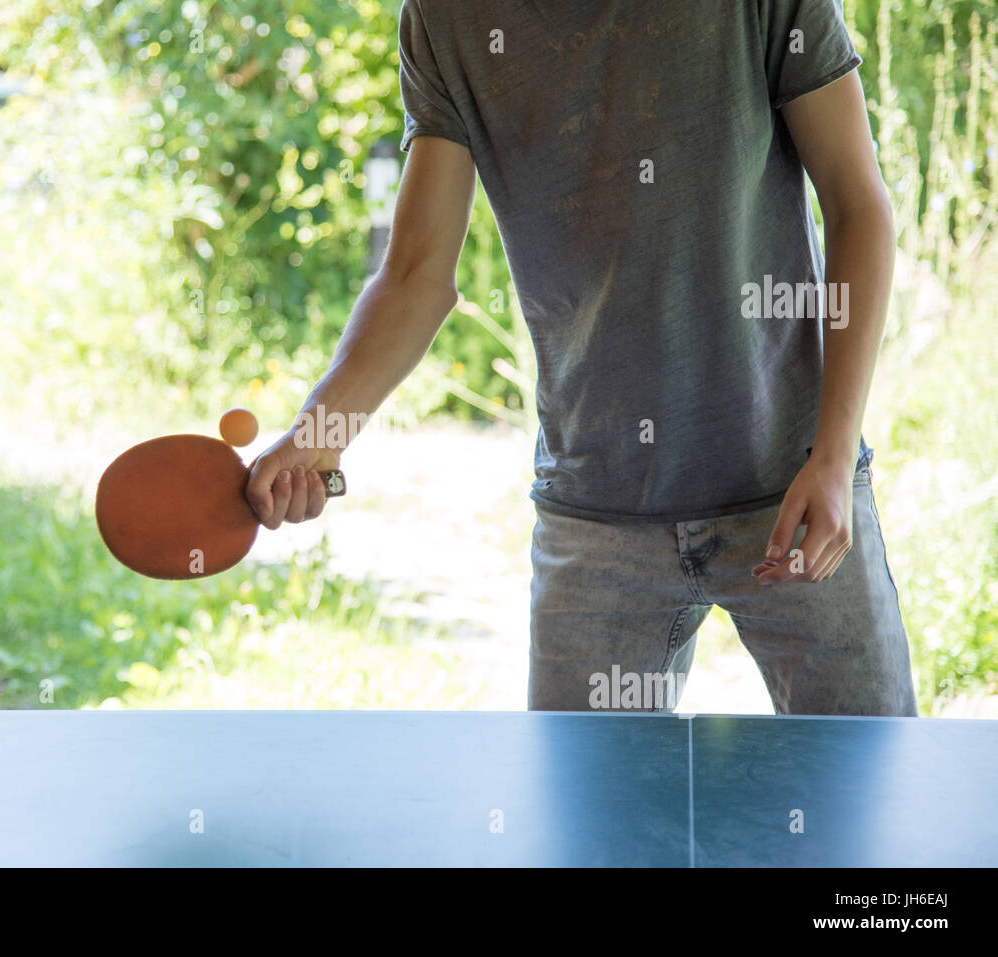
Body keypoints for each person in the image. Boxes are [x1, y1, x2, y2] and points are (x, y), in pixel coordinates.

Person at [245, 0, 917, 716]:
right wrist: (318, 433)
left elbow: (858, 205)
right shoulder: (446, 19)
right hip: (597, 515)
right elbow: (415, 274)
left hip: (796, 485)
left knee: (868, 801)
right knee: (589, 829)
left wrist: (835, 459)